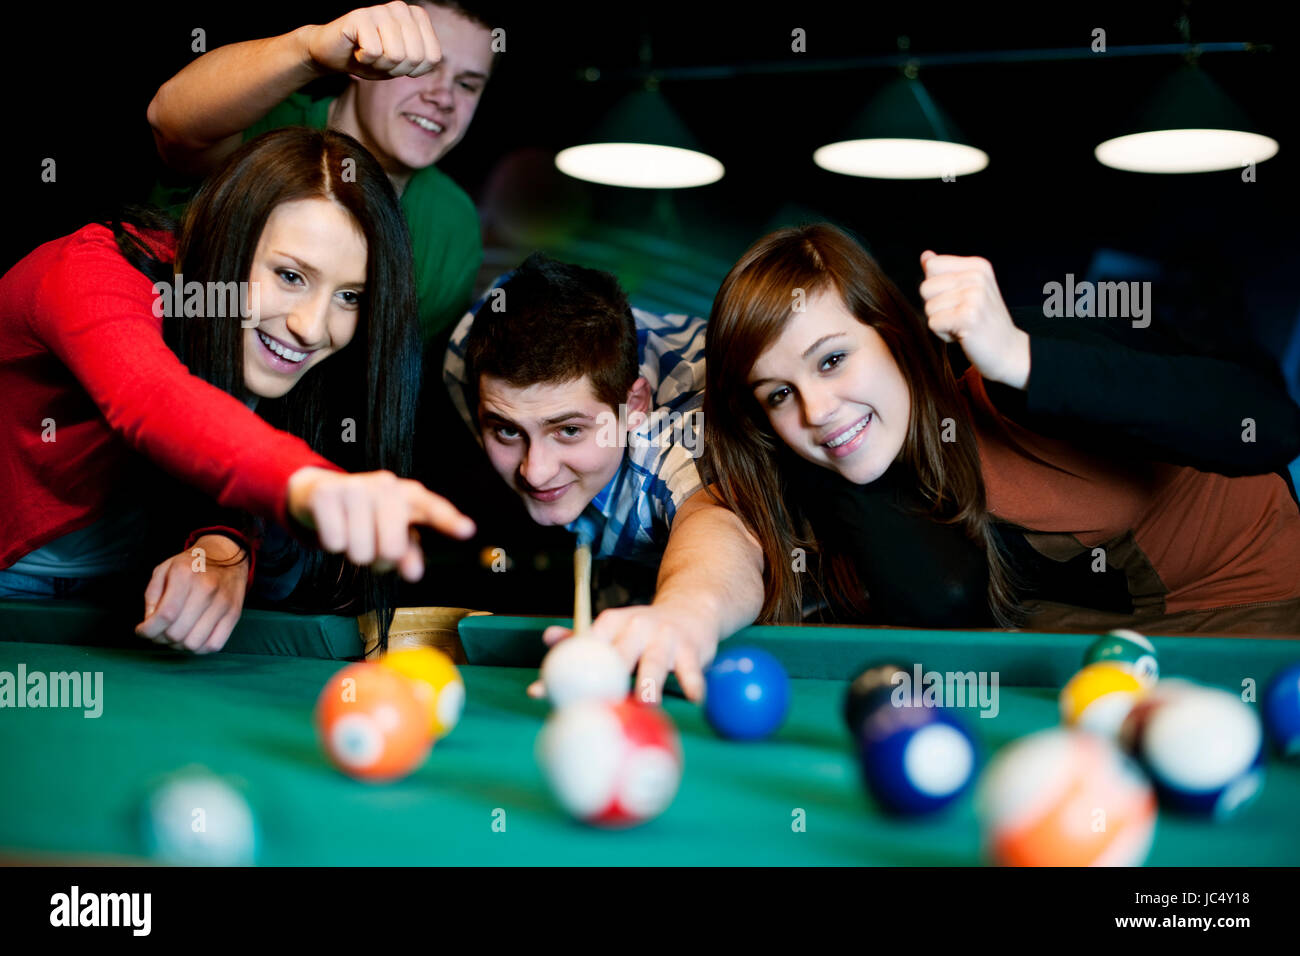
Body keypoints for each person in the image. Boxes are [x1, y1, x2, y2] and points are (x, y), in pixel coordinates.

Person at [0, 127, 475, 654]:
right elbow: (153, 398)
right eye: (290, 276)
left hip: (124, 592)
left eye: (349, 296)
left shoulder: (262, 342)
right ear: (223, 238)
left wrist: (224, 544)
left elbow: (216, 446)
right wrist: (308, 484)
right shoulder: (92, 269)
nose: (311, 328)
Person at [702, 222, 1300, 634]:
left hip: (1262, 604)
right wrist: (844, 458)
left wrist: (1018, 358)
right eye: (779, 393)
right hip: (1091, 646)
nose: (815, 409)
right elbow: (943, 601)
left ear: (894, 334)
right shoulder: (815, 462)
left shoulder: (1006, 368)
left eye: (833, 359)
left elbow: (1270, 425)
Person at [443, 254, 764, 700]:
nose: (535, 471)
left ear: (634, 407)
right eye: (507, 431)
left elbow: (717, 527)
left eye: (569, 430)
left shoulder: (681, 435)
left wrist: (684, 612)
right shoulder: (466, 356)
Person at [146, 1, 498, 342]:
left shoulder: (455, 227)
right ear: (362, 55)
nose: (443, 98)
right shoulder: (263, 124)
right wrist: (310, 50)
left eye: (467, 85)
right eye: (421, 67)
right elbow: (169, 121)